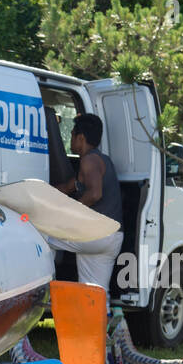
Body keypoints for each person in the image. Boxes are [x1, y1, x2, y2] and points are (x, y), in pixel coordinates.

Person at [47, 113, 125, 290]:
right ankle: (111, 317)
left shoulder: (89, 160)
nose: (71, 139)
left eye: (72, 134)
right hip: (112, 238)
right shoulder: (102, 160)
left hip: (96, 235)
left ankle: (42, 287)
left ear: (80, 137)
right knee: (95, 292)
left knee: (42, 234)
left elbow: (95, 194)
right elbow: (69, 187)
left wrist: (70, 213)